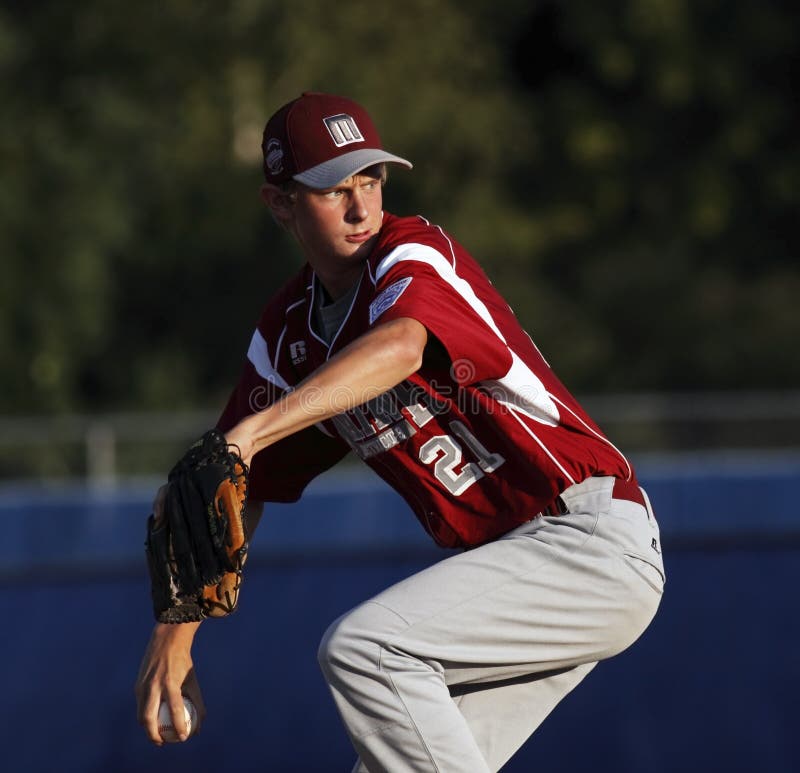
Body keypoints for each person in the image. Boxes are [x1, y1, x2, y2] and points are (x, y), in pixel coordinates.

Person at [135, 91, 665, 772]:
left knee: (364, 650)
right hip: (518, 570)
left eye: (371, 179)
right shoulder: (287, 338)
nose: (361, 206)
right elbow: (231, 486)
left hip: (588, 539)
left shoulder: (413, 251)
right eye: (333, 188)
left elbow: (402, 347)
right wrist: (176, 635)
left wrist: (253, 430)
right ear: (281, 205)